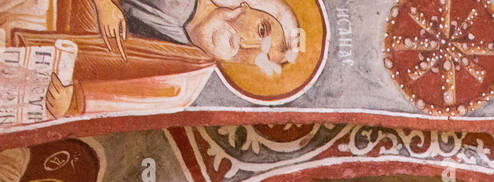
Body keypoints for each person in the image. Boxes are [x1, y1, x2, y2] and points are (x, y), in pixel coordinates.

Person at [41, 0, 303, 117]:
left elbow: (131, 95)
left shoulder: (185, 79)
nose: (244, 43)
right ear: (245, 5)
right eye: (261, 29)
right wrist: (103, 3)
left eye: (259, 58)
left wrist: (73, 103)